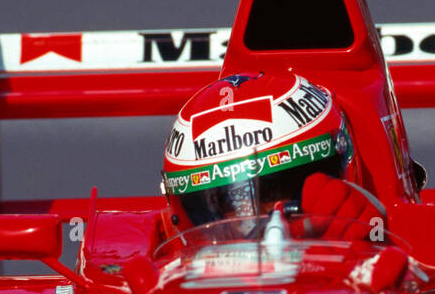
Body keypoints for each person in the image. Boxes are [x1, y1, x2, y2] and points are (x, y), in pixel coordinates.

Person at [161, 72, 385, 240]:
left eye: (275, 192)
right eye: (226, 201)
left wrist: (375, 242)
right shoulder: (156, 250)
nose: (252, 225)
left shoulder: (387, 237)